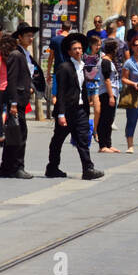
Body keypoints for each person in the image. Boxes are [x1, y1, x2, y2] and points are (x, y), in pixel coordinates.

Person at [46, 32, 103, 181]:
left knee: (83, 139)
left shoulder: (84, 66)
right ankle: (52, 167)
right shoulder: (64, 67)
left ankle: (88, 169)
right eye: (75, 49)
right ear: (69, 52)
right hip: (66, 110)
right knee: (58, 139)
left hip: (81, 110)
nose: (78, 51)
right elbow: (62, 92)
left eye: (80, 48)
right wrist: (61, 114)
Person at [0, 22, 39, 179]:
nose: (31, 38)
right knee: (19, 133)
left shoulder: (25, 54)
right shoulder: (16, 55)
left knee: (13, 133)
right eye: (28, 35)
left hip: (22, 98)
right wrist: (13, 103)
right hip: (16, 101)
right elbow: (12, 79)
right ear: (19, 37)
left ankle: (5, 167)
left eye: (31, 35)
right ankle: (17, 167)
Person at [97, 39, 121, 153]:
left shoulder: (110, 61)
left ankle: (108, 143)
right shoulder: (105, 62)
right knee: (105, 119)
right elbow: (107, 80)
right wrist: (111, 96)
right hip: (107, 93)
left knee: (110, 119)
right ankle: (103, 145)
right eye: (116, 49)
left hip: (113, 93)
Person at [83, 32, 103, 141]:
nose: (99, 47)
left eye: (100, 45)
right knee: (85, 110)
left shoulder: (101, 56)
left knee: (97, 110)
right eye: (97, 45)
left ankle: (95, 130)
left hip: (96, 85)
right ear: (92, 45)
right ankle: (85, 130)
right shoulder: (84, 56)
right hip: (85, 85)